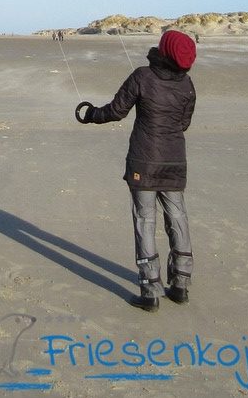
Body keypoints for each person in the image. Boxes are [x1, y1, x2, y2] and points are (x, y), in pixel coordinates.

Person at [75, 29, 196, 311]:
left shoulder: (144, 76)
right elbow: (183, 124)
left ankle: (151, 291)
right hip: (174, 160)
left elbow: (116, 110)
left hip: (145, 160)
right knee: (177, 217)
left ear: (164, 51)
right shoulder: (186, 84)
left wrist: (92, 114)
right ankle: (181, 284)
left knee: (146, 221)